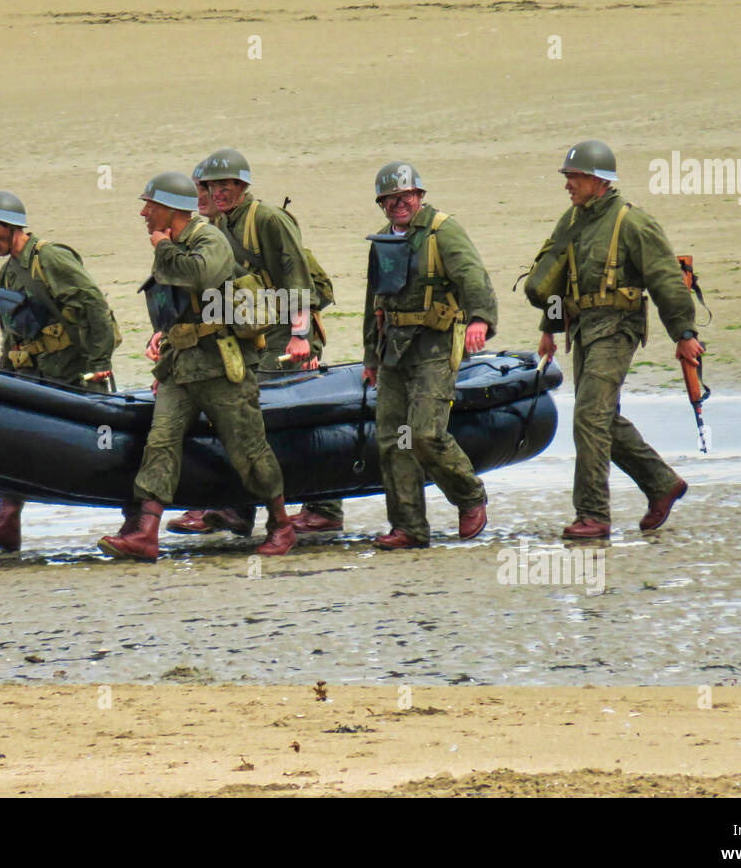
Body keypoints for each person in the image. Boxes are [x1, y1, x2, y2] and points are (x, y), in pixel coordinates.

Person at [98, 172, 297, 562]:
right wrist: (161, 334)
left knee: (248, 448)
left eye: (150, 206)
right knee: (161, 444)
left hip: (220, 365)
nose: (143, 213)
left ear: (170, 209)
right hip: (180, 367)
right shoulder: (171, 245)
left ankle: (282, 525)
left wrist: (164, 250)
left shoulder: (209, 240)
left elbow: (202, 276)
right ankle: (146, 533)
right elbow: (173, 300)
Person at [535, 140, 703, 537]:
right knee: (601, 418)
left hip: (617, 328)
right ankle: (662, 483)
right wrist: (550, 328)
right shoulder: (571, 221)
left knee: (589, 416)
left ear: (597, 180)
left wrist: (684, 334)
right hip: (582, 328)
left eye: (573, 177)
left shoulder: (633, 223)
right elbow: (556, 277)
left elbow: (665, 280)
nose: (567, 185)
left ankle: (593, 515)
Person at [171, 148, 342, 538]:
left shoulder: (266, 219)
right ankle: (239, 509)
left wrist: (301, 335)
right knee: (251, 420)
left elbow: (296, 277)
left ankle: (325, 507)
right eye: (210, 187)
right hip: (258, 333)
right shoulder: (222, 226)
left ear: (242, 186)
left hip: (287, 331)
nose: (216, 193)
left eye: (224, 186)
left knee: (293, 420)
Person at [0, 191, 120, 552]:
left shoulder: (51, 258)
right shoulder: (8, 271)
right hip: (36, 376)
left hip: (73, 374)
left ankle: (136, 521)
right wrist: (3, 380)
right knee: (11, 441)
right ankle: (6, 521)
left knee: (103, 449)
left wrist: (98, 364)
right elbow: (10, 333)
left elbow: (95, 306)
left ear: (12, 225)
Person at [363, 162, 498, 549]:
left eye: (404, 196)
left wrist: (480, 321)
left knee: (424, 433)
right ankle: (408, 526)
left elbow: (473, 276)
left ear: (419, 195)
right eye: (389, 199)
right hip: (393, 352)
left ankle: (469, 496)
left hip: (434, 348)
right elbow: (373, 301)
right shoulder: (384, 241)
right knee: (395, 440)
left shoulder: (442, 231)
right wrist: (371, 357)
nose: (398, 203)